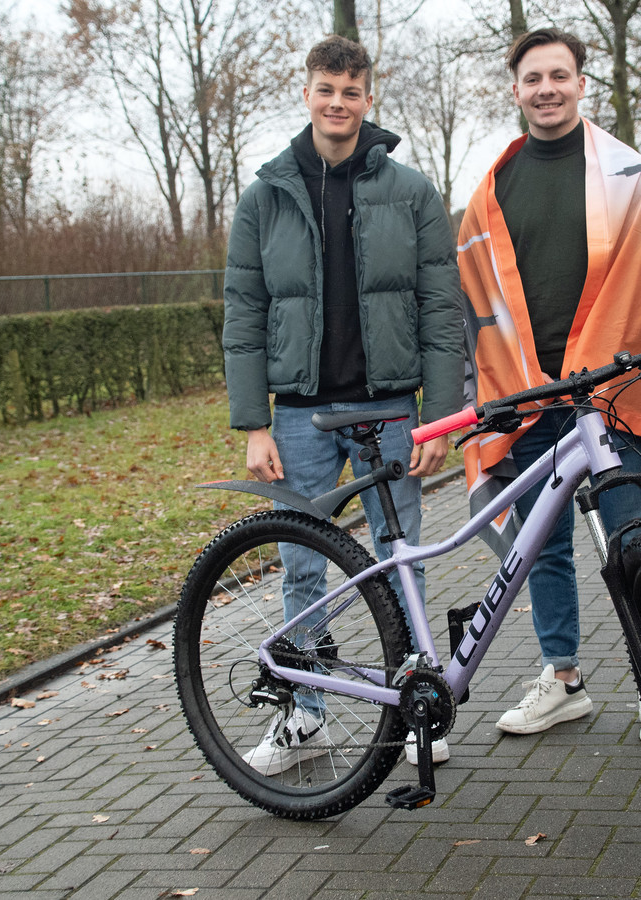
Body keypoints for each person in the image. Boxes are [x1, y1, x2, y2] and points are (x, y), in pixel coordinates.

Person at [222, 35, 463, 773]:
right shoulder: (265, 195)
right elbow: (244, 309)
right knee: (301, 563)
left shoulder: (413, 192)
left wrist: (441, 412)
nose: (338, 102)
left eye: (351, 91)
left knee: (403, 558)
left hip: (390, 407)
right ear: (308, 93)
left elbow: (439, 306)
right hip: (298, 413)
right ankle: (306, 715)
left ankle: (416, 705)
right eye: (327, 88)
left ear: (368, 98)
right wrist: (254, 421)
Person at [457, 28, 641, 742]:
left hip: (609, 393)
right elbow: (475, 298)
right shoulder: (492, 189)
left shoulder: (629, 175)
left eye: (559, 75)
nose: (546, 88)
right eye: (533, 78)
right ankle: (563, 680)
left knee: (636, 538)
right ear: (516, 89)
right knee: (542, 546)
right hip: (530, 400)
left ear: (582, 84)